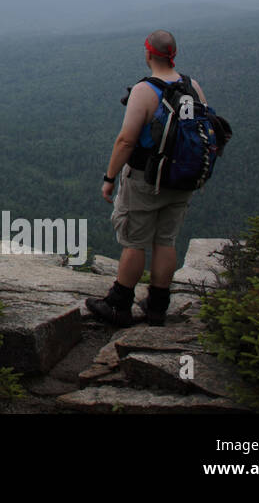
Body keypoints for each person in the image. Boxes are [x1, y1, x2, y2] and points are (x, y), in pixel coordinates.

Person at [85, 30, 206, 327]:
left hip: (145, 179)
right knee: (166, 240)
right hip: (182, 180)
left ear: (148, 53)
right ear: (173, 53)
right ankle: (156, 306)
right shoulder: (194, 87)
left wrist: (109, 177)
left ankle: (119, 305)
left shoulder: (144, 90)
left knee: (135, 242)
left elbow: (126, 140)